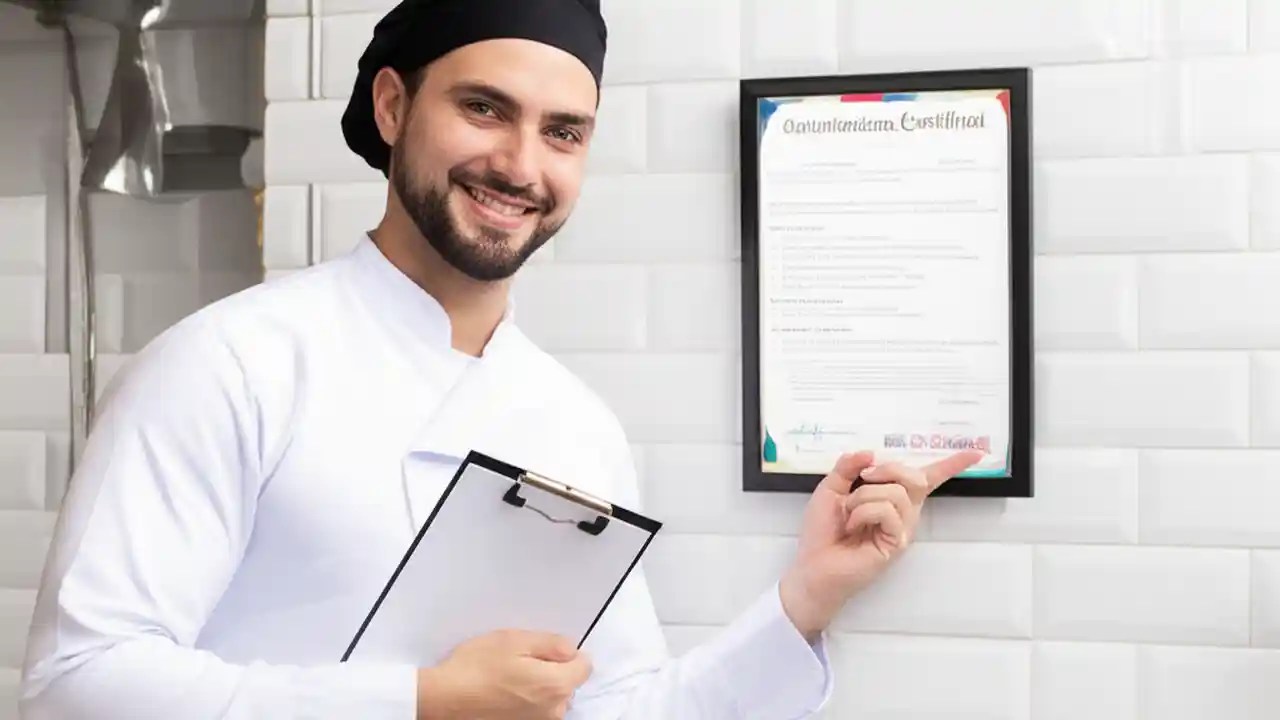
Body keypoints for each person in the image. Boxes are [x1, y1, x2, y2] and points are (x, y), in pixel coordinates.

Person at [18, 0, 982, 718]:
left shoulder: (574, 423)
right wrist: (421, 700)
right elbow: (77, 681)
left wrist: (811, 594)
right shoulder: (229, 365)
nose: (523, 166)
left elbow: (623, 707)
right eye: (485, 108)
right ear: (393, 106)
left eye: (563, 132)